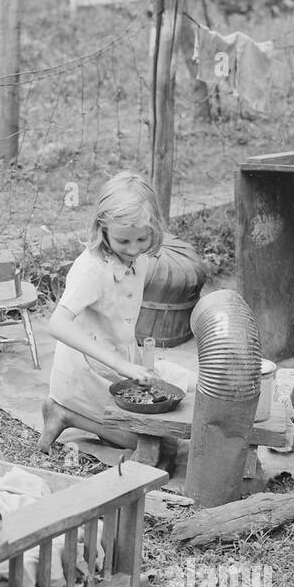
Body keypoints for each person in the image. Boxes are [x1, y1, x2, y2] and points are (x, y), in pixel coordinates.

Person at [38, 170, 188, 453]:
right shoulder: (92, 269)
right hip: (84, 376)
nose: (133, 249)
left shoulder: (139, 258)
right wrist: (121, 366)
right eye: (123, 241)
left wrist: (132, 358)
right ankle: (64, 411)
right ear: (101, 228)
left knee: (171, 425)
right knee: (162, 449)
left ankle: (108, 428)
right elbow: (57, 324)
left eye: (142, 239)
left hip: (115, 367)